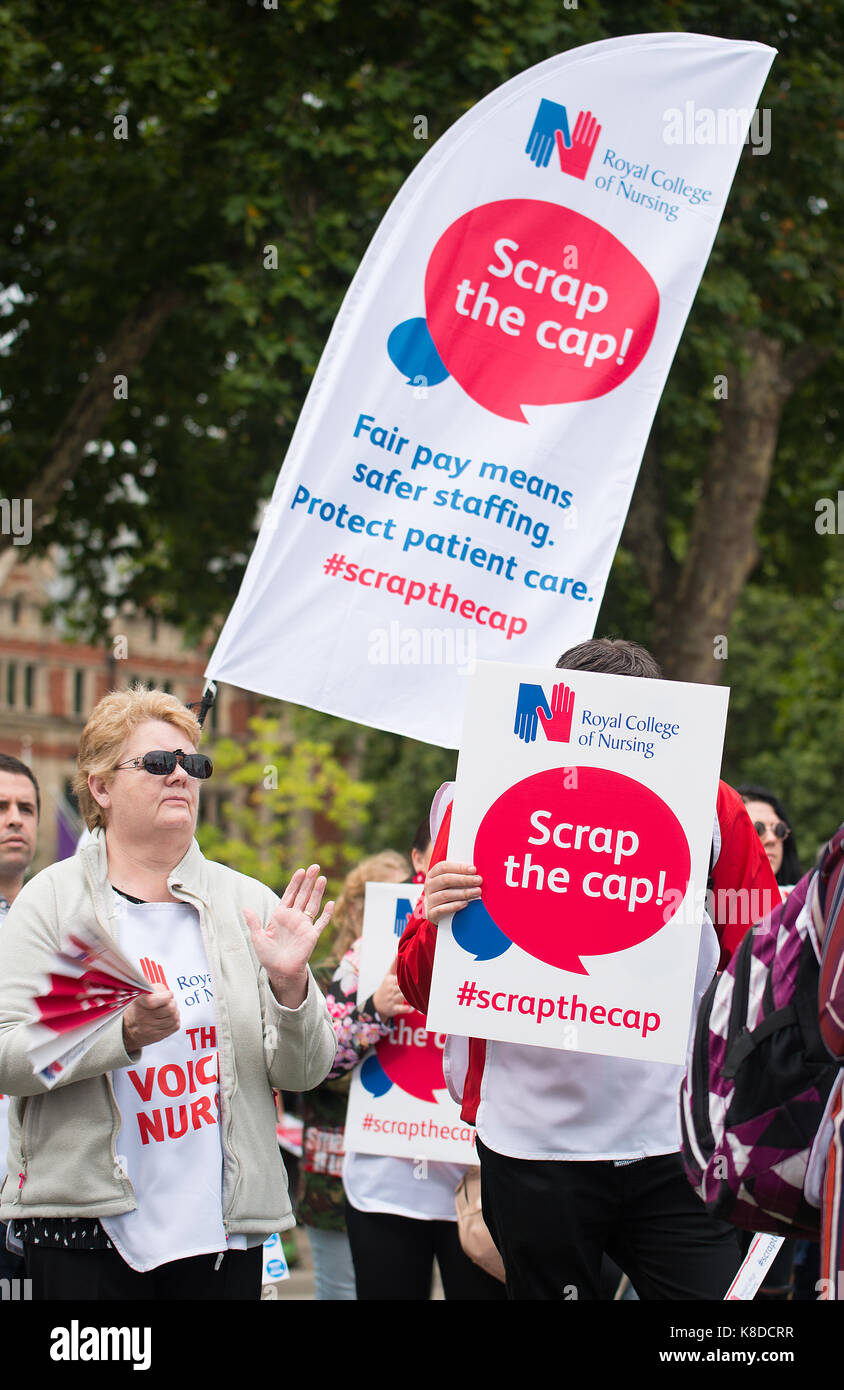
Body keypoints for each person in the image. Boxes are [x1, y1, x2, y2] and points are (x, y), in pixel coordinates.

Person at [397, 638, 780, 1300]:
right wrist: (436, 918)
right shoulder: (482, 801)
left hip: (674, 1141)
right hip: (532, 1145)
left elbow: (763, 959)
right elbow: (421, 987)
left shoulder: (712, 808)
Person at [0, 686, 337, 1300]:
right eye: (158, 764)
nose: (181, 776)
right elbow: (7, 1058)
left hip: (221, 1238)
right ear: (101, 787)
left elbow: (309, 1069)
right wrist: (118, 1034)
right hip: (88, 1238)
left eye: (194, 764)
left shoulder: (249, 904)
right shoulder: (52, 900)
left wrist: (292, 990)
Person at [297, 849, 414, 1300]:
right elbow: (308, 1070)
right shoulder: (323, 979)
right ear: (361, 908)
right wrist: (373, 1015)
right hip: (335, 1175)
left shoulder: (424, 975)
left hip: (402, 1169)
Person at [0, 753, 41, 1284]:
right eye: (1, 806)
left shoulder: (66, 922)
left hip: (41, 1190)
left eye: (26, 808)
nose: (15, 818)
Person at [738, 784, 802, 894]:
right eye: (757, 829)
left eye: (779, 829)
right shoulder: (704, 904)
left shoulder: (803, 903)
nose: (771, 839)